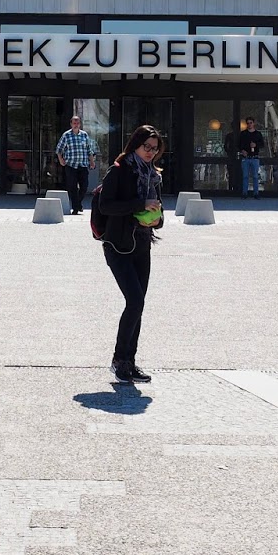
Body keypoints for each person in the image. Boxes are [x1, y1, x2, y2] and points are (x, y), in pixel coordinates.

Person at [98, 124, 165, 383]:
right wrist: (139, 205)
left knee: (138, 305)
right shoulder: (119, 171)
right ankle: (119, 360)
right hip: (118, 245)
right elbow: (106, 206)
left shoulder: (153, 175)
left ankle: (130, 361)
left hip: (142, 244)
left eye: (154, 149)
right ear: (135, 144)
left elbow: (159, 211)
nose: (150, 152)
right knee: (135, 301)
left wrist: (155, 221)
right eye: (146, 147)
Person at [54, 113, 98, 215]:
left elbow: (89, 150)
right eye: (74, 122)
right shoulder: (66, 135)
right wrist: (61, 159)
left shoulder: (84, 135)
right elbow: (59, 149)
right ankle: (76, 208)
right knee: (72, 187)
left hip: (82, 165)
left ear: (80, 124)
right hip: (71, 165)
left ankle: (78, 204)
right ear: (71, 124)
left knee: (84, 187)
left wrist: (92, 162)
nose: (76, 124)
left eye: (78, 122)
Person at [236, 116, 265, 198]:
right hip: (245, 158)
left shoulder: (258, 134)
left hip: (255, 158)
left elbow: (262, 144)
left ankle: (256, 193)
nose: (249, 125)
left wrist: (256, 145)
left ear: (254, 123)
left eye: (251, 123)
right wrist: (242, 151)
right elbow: (238, 145)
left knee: (255, 176)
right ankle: (244, 193)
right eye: (248, 123)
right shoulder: (243, 134)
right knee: (245, 176)